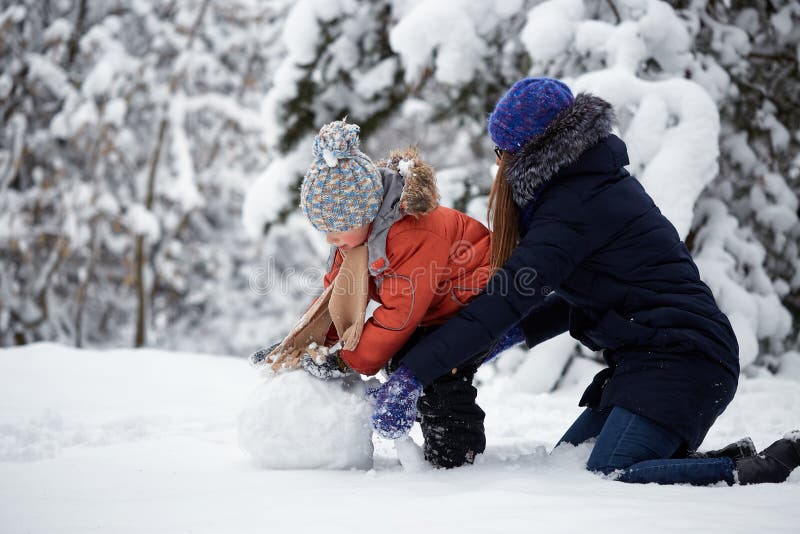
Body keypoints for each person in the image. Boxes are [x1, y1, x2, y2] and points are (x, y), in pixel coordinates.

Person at [367, 78, 800, 484]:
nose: (497, 163)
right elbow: (588, 296)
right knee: (568, 465)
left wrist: (412, 377)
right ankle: (731, 457)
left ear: (525, 151)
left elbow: (505, 298)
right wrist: (504, 338)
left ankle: (760, 469)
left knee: (610, 474)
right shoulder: (583, 187)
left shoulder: (573, 206)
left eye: (500, 152)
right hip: (647, 358)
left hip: (685, 360)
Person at [252, 119, 503, 468]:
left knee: (436, 368)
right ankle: (429, 416)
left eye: (336, 228)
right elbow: (337, 297)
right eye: (323, 229)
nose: (329, 239)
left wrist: (346, 360)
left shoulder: (412, 233)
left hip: (479, 298)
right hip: (434, 306)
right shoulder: (359, 235)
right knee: (397, 360)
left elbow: (400, 315)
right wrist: (302, 345)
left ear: (365, 213)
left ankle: (458, 452)